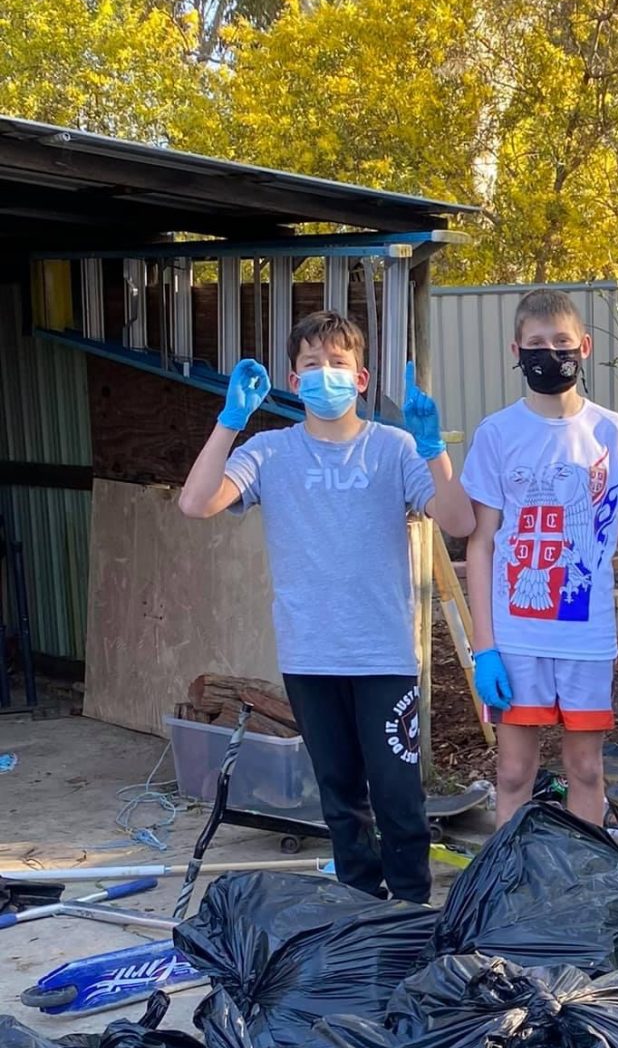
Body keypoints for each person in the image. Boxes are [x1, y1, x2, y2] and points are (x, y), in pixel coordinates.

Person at [179, 309, 474, 905]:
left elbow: (461, 520)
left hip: (384, 655)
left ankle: (413, 910)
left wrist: (434, 448)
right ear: (293, 379)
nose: (324, 375)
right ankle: (360, 912)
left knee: (397, 795)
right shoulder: (269, 451)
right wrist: (229, 421)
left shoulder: (393, 450)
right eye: (311, 365)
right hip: (310, 655)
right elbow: (196, 503)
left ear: (360, 379)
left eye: (337, 364)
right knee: (341, 799)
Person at [463, 287, 618, 827]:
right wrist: (484, 647)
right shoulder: (497, 434)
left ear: (585, 347)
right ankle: (509, 888)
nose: (549, 353)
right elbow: (480, 541)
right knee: (512, 773)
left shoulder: (611, 431)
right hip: (517, 636)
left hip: (585, 636)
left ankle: (584, 888)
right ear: (516, 351)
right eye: (536, 343)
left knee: (587, 770)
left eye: (561, 342)